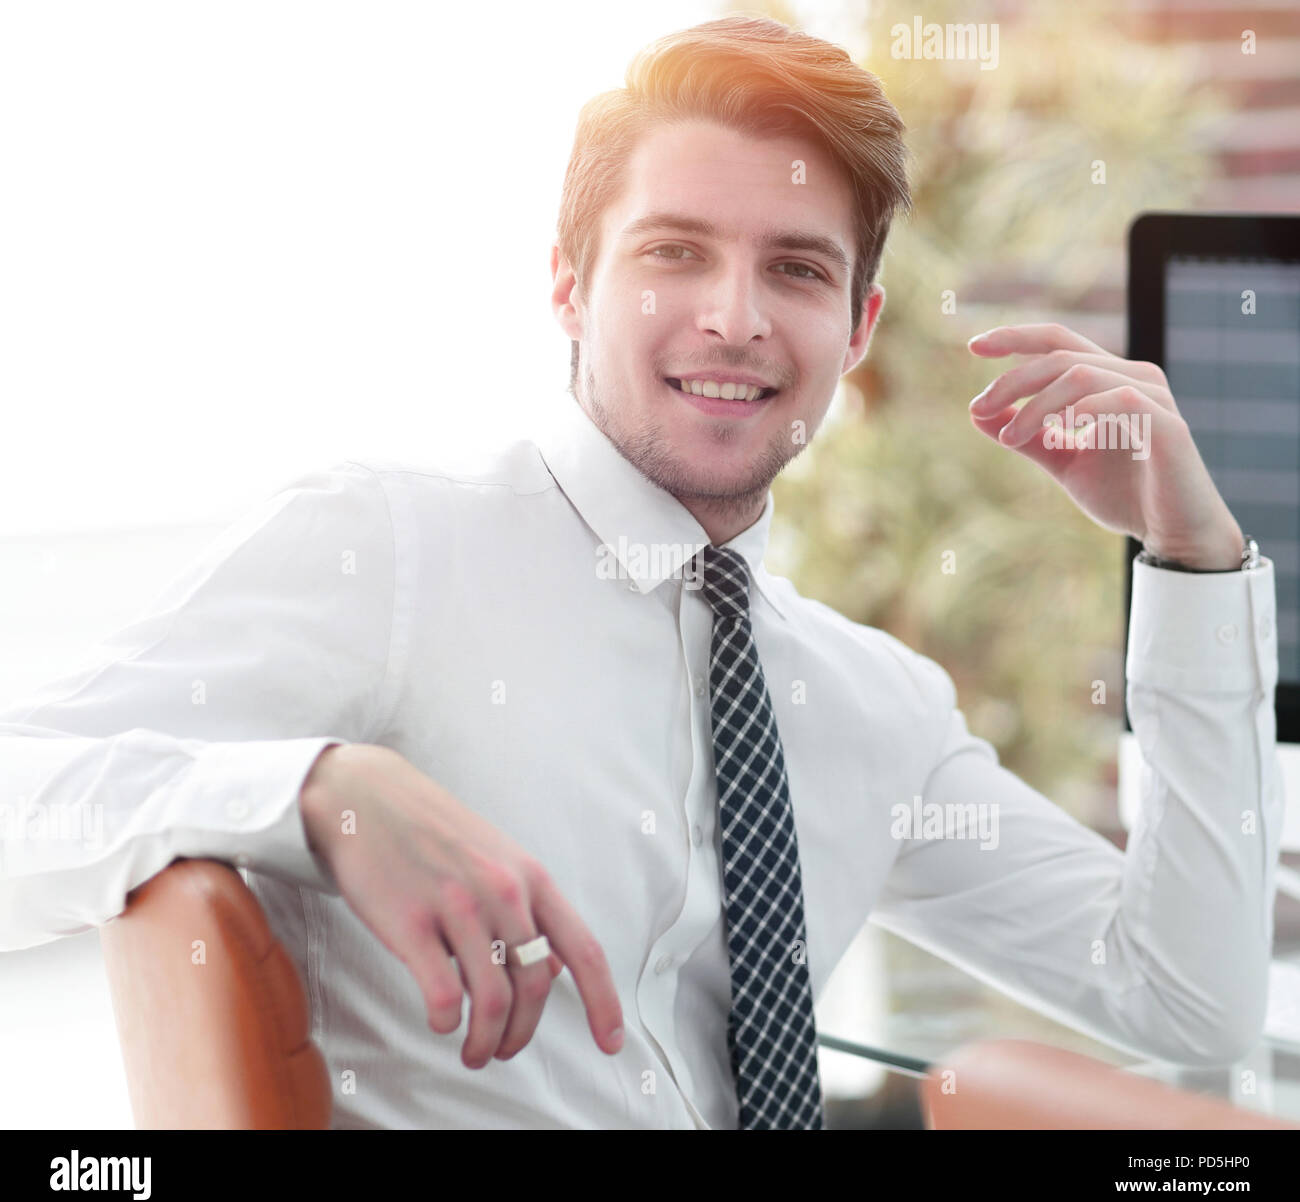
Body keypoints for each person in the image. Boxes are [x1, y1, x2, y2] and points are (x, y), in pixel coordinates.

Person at [0, 14, 1282, 1130]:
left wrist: (1194, 559)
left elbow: (1185, 994)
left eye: (796, 267)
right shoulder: (390, 553)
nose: (735, 315)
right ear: (568, 284)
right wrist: (314, 791)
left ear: (858, 326)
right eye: (674, 251)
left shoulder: (873, 704)